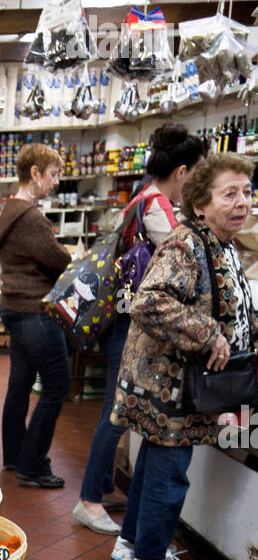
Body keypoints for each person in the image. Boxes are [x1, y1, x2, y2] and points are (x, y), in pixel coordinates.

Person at [109, 153, 256, 560]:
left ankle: (134, 543)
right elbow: (149, 302)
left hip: (168, 380)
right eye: (229, 194)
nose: (242, 203)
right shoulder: (187, 244)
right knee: (170, 472)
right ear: (199, 203)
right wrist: (210, 334)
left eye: (247, 192)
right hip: (170, 383)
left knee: (156, 463)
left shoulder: (218, 243)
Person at [74, 124, 207, 533]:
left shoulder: (145, 198)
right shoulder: (157, 207)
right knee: (116, 414)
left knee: (116, 411)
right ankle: (88, 501)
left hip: (122, 319)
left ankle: (101, 487)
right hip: (126, 325)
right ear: (183, 171)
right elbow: (185, 263)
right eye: (198, 173)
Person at [0, 142, 72, 488]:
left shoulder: (10, 210)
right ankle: (33, 464)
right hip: (34, 312)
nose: (55, 182)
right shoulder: (33, 218)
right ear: (35, 174)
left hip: (13, 307)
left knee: (20, 384)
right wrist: (67, 252)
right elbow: (59, 259)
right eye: (53, 174)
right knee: (56, 386)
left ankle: (14, 456)